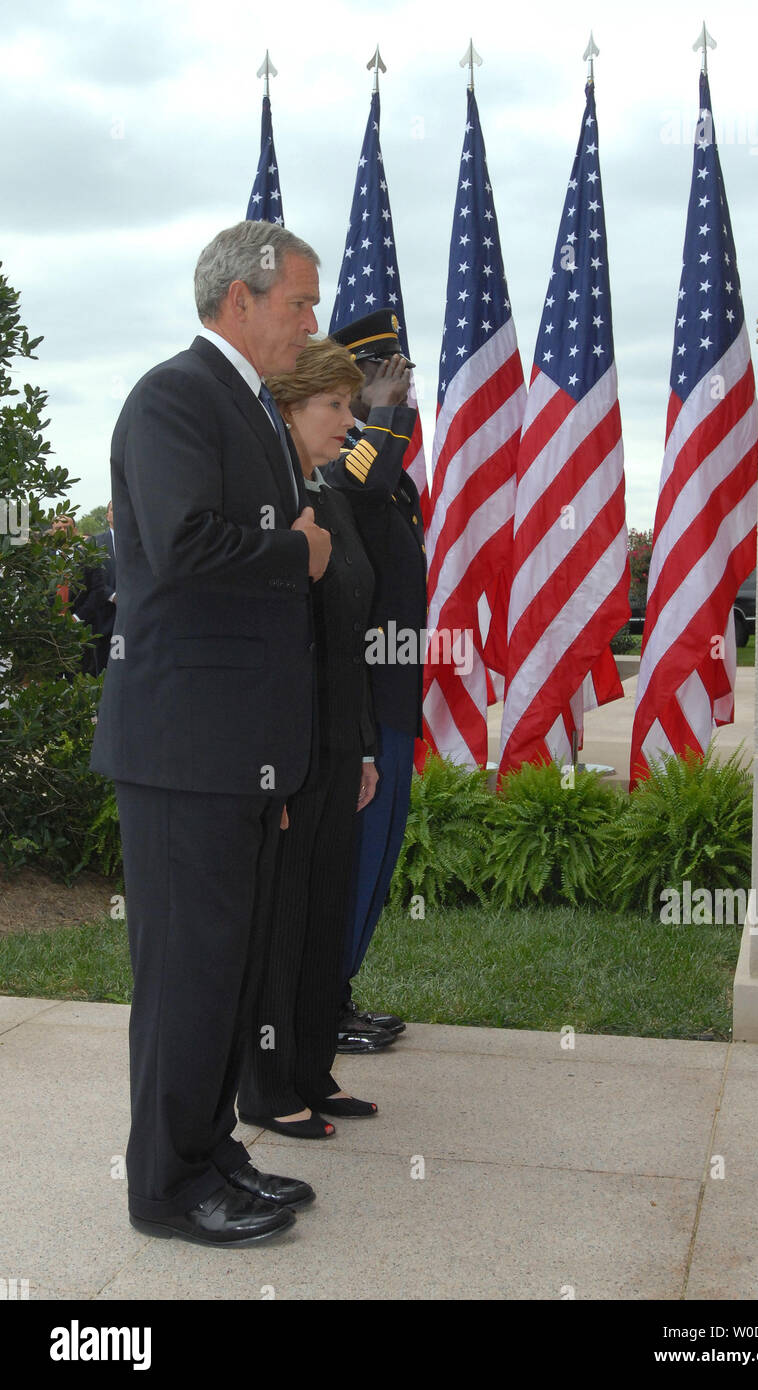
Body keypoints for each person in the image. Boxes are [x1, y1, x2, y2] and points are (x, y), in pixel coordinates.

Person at [90, 220, 332, 1247]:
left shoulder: (249, 410)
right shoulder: (173, 397)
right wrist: (297, 548)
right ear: (239, 299)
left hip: (237, 748)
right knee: (188, 974)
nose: (309, 322)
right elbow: (185, 543)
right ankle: (166, 1185)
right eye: (298, 303)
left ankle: (209, 1150)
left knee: (227, 970)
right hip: (184, 752)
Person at [237, 337, 388, 1139]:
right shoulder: (272, 506)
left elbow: (350, 633)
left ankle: (310, 1069)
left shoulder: (328, 494)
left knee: (323, 911)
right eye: (334, 406)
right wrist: (276, 770)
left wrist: (363, 746)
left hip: (336, 742)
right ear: (289, 408)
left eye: (351, 406)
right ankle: (265, 1089)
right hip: (285, 749)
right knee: (281, 919)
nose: (349, 421)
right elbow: (271, 645)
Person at [324, 311, 427, 1052]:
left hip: (392, 691)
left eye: (404, 373)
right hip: (358, 700)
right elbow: (360, 485)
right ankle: (318, 1004)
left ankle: (337, 992)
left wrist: (385, 417)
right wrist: (384, 413)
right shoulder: (335, 469)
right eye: (388, 372)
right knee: (350, 857)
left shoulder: (388, 479)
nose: (404, 385)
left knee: (376, 858)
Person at [72, 500, 117, 675]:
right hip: (104, 618)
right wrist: (112, 595)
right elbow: (90, 581)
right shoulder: (94, 543)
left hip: (135, 618)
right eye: (113, 509)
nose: (117, 512)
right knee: (106, 670)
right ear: (107, 516)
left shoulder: (141, 542)